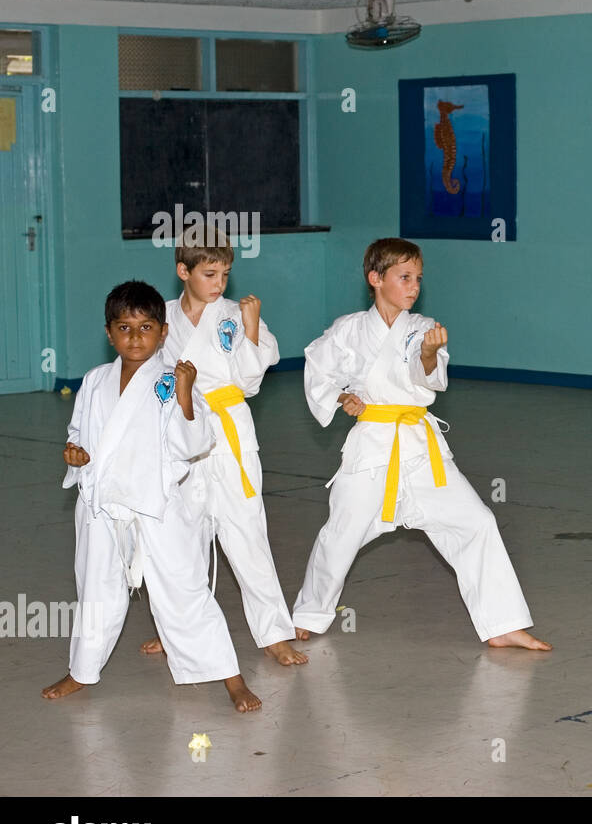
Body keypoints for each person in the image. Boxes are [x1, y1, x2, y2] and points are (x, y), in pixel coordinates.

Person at [291, 238, 551, 650]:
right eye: (404, 277)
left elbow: (423, 370)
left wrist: (430, 354)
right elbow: (318, 370)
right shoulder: (348, 330)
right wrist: (344, 397)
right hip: (372, 447)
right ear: (375, 279)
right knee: (340, 534)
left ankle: (502, 624)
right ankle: (309, 613)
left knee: (477, 522)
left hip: (420, 447)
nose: (414, 287)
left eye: (418, 279)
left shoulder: (422, 329)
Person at [43, 281, 260, 712]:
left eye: (146, 327)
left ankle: (230, 677)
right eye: (124, 327)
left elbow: (194, 444)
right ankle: (81, 671)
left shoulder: (173, 379)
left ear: (162, 332)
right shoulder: (94, 381)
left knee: (185, 588)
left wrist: (184, 395)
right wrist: (76, 455)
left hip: (157, 505)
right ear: (109, 333)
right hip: (102, 506)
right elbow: (78, 434)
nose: (135, 337)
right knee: (95, 590)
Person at [138, 228, 306, 667]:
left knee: (246, 530)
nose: (219, 283)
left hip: (230, 430)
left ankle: (273, 632)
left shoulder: (234, 315)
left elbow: (250, 383)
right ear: (183, 270)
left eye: (225, 273)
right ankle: (176, 628)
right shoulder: (164, 318)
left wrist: (250, 329)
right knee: (182, 535)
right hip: (183, 429)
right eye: (209, 273)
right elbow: (151, 378)